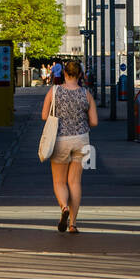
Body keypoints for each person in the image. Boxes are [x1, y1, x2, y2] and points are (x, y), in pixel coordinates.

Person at [41, 58, 98, 233]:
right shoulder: (86, 94)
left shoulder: (54, 91)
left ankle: (64, 207)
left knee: (59, 181)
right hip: (81, 140)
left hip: (60, 140)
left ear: (64, 73)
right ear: (80, 74)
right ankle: (73, 224)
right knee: (75, 182)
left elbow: (44, 116)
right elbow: (94, 122)